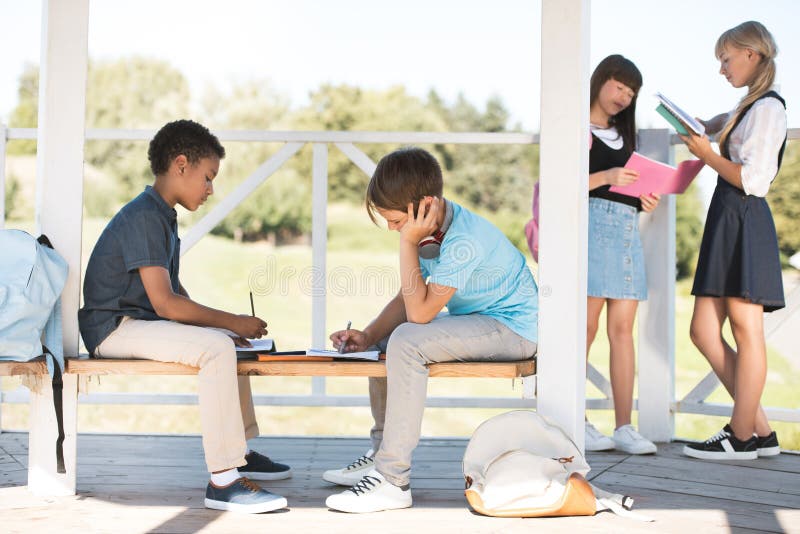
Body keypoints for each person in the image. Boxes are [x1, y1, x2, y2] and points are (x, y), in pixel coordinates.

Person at [78, 120, 291, 513]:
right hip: (113, 328)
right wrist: (231, 320)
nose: (210, 189)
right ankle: (224, 480)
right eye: (208, 177)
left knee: (226, 344)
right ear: (180, 165)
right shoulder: (144, 217)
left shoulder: (161, 214)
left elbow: (173, 291)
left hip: (136, 323)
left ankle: (239, 454)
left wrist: (226, 329)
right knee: (216, 347)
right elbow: (166, 304)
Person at [322, 147, 539, 513]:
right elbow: (411, 296)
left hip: (513, 327)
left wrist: (407, 241)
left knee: (407, 339)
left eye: (395, 221)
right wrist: (369, 335)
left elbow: (419, 314)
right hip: (482, 319)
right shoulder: (433, 228)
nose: (392, 229)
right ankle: (381, 455)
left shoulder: (463, 240)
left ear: (424, 206)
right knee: (389, 339)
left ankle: (392, 480)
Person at [680, 21, 787, 461]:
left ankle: (741, 436)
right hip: (725, 217)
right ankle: (760, 431)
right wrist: (701, 126)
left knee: (746, 329)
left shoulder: (768, 108)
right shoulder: (747, 107)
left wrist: (707, 155)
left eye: (726, 59)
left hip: (744, 215)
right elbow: (722, 125)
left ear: (751, 54)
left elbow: (754, 180)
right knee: (703, 331)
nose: (722, 69)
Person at [583, 55, 661, 455]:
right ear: (601, 80)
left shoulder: (626, 137)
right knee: (586, 329)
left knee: (622, 331)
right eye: (620, 86)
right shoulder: (577, 129)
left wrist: (645, 199)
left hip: (627, 234)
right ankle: (575, 419)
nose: (624, 97)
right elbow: (560, 182)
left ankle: (624, 427)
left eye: (631, 93)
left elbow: (627, 187)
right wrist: (607, 177)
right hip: (591, 232)